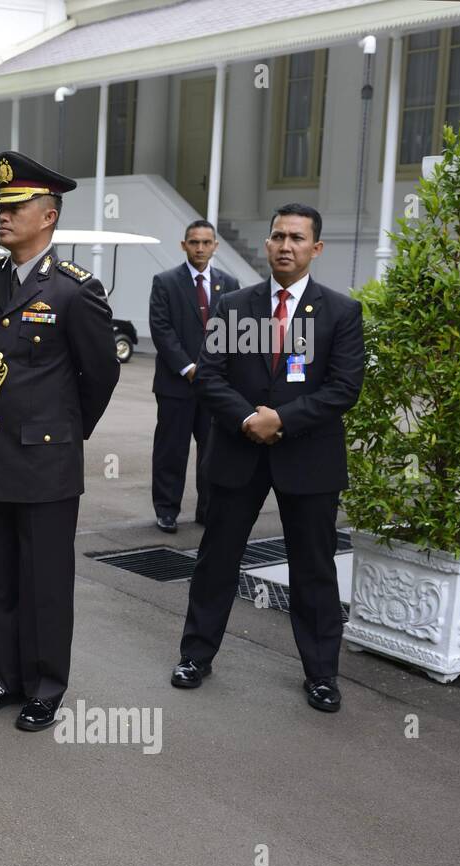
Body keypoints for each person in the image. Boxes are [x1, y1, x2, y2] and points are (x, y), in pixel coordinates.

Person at [171, 202, 364, 713]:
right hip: (238, 452)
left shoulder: (341, 313)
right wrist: (247, 420)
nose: (285, 245)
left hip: (309, 458)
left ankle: (321, 674)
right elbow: (210, 377)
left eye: (297, 238)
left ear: (315, 248)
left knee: (314, 568)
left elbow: (344, 389)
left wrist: (282, 420)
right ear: (268, 243)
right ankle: (196, 655)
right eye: (278, 236)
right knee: (216, 559)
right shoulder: (234, 307)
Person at [0, 151, 120, 731]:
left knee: (45, 582)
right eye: (1, 207)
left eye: (16, 207)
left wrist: (65, 435)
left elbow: (100, 376)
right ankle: (7, 677)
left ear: (48, 217)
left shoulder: (76, 290)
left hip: (47, 461)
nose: (3, 216)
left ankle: (46, 685)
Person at [148, 220, 240, 532]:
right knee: (171, 450)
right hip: (176, 384)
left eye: (205, 242)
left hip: (214, 387)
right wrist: (188, 368)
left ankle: (207, 509)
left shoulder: (229, 283)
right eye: (193, 242)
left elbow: (233, 332)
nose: (200, 248)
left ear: (215, 246)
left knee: (212, 451)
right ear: (183, 245)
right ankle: (166, 510)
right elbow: (161, 329)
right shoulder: (165, 281)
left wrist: (216, 372)